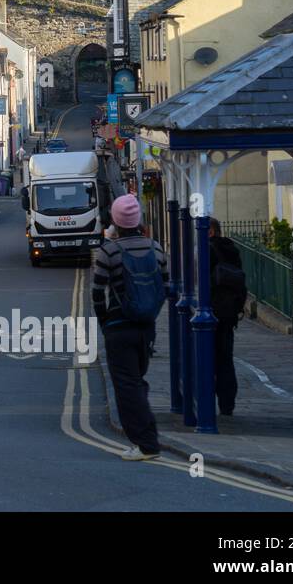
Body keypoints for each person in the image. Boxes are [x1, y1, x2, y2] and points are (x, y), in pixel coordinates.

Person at [92, 193, 169, 461]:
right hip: (146, 327)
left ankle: (146, 444)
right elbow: (165, 285)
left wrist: (105, 323)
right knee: (137, 381)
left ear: (116, 220)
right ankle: (147, 438)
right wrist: (151, 314)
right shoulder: (155, 247)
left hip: (118, 326)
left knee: (127, 386)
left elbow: (97, 291)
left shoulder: (108, 251)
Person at [207, 218, 247, 416]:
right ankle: (227, 404)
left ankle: (206, 401)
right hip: (229, 312)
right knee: (226, 359)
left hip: (211, 310)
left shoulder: (209, 250)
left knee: (207, 358)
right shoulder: (232, 249)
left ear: (212, 231)